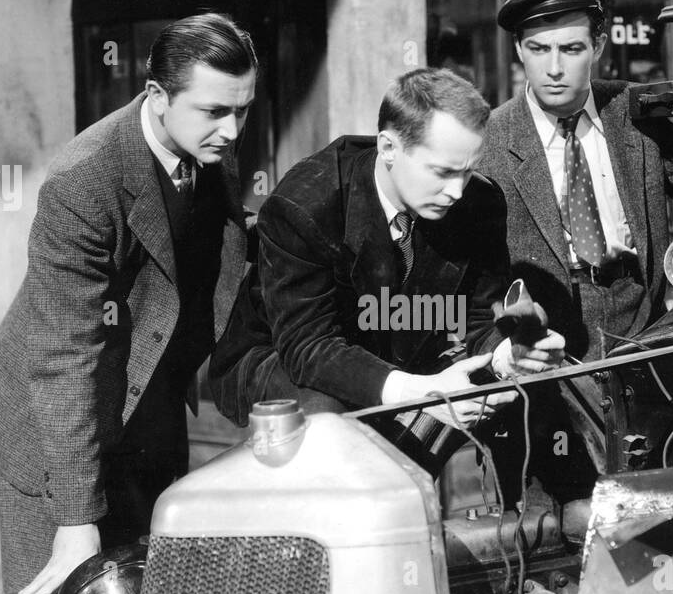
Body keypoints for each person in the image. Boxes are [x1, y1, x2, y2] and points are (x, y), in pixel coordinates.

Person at [0, 13, 257, 594]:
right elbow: (62, 355)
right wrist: (76, 521)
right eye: (215, 111)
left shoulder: (208, 142)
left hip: (149, 410)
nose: (233, 131)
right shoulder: (85, 180)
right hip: (59, 435)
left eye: (243, 110)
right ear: (157, 96)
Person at [208, 67, 565, 455]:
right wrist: (418, 391)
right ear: (389, 148)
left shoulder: (481, 202)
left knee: (489, 397)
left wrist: (508, 355)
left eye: (468, 172)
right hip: (280, 357)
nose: (457, 192)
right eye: (443, 172)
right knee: (330, 420)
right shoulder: (304, 205)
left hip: (401, 349)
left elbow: (474, 317)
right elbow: (307, 347)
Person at [474, 0, 673, 500]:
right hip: (547, 348)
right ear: (518, 50)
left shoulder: (637, 114)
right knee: (561, 509)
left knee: (656, 493)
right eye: (538, 49)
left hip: (642, 328)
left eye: (571, 49)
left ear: (598, 46)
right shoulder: (488, 140)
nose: (553, 67)